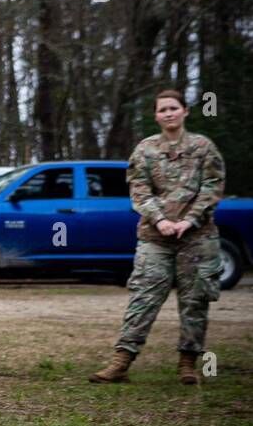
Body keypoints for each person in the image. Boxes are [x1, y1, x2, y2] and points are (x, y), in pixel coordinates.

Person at [90, 89, 225, 386]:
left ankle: (188, 364)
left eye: (173, 108)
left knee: (195, 301)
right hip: (156, 236)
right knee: (144, 297)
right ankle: (121, 362)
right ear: (156, 116)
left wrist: (189, 220)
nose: (168, 113)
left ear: (185, 111)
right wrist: (160, 219)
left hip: (197, 237)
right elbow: (139, 189)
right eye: (163, 110)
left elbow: (212, 187)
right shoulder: (145, 149)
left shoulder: (203, 147)